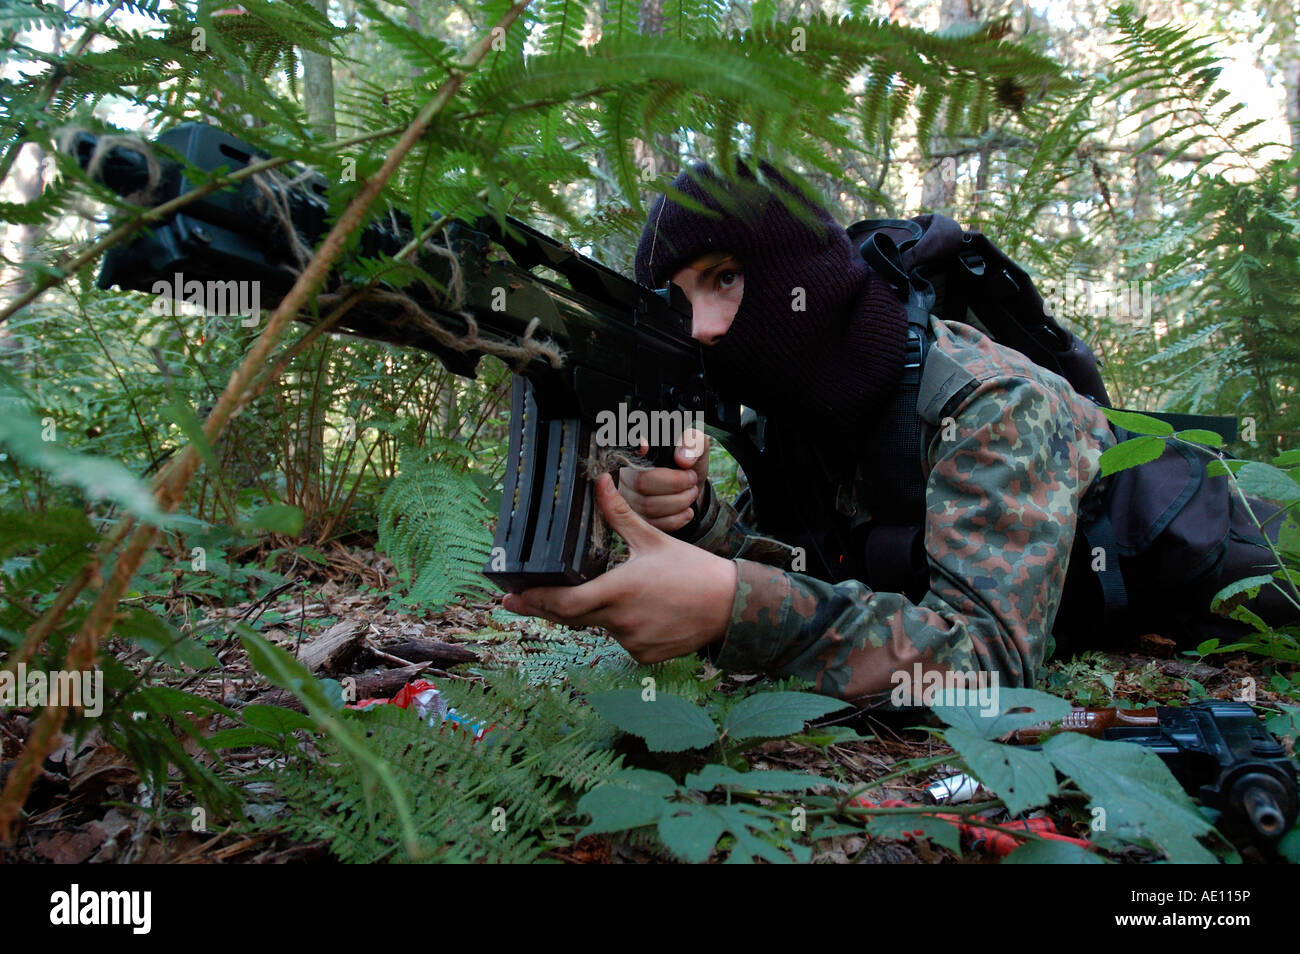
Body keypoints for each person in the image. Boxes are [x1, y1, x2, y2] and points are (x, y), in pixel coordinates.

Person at [500, 161, 1284, 708]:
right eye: (674, 299)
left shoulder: (985, 398)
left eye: (726, 278)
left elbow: (990, 664)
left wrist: (730, 610)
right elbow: (814, 578)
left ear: (803, 281)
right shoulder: (792, 418)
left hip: (1243, 575)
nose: (698, 328)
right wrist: (696, 524)